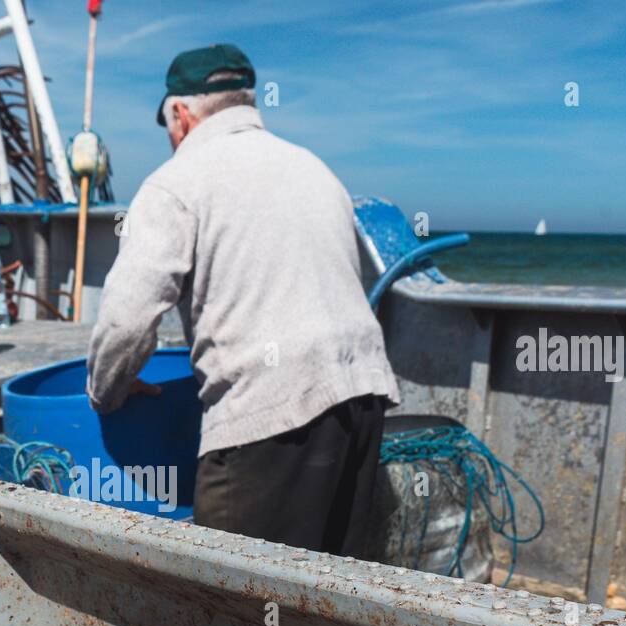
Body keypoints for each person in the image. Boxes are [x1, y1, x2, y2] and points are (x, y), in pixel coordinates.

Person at [86, 44, 400, 557]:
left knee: (235, 602)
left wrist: (106, 390)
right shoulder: (315, 170)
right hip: (361, 395)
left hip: (269, 416)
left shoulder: (175, 183)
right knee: (336, 592)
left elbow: (125, 321)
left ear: (181, 115)